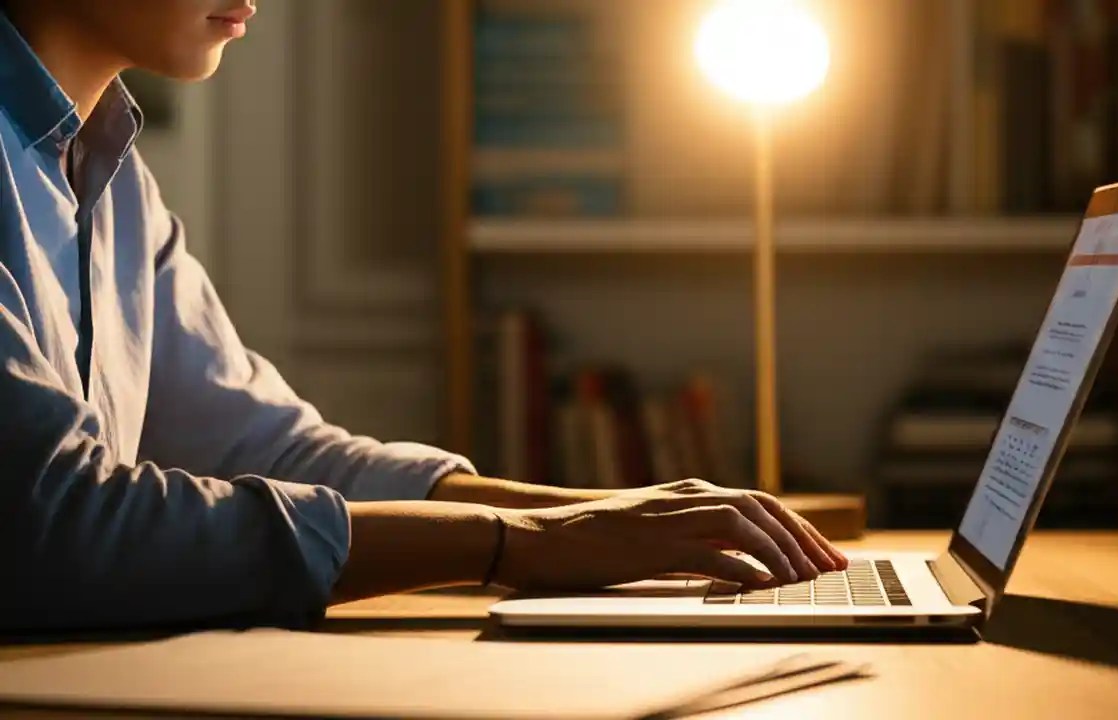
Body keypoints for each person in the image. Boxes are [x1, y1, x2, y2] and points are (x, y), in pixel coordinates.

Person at [0, 0, 845, 632]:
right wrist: (511, 542)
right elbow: (54, 526)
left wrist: (593, 518)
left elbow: (267, 448)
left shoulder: (110, 178)